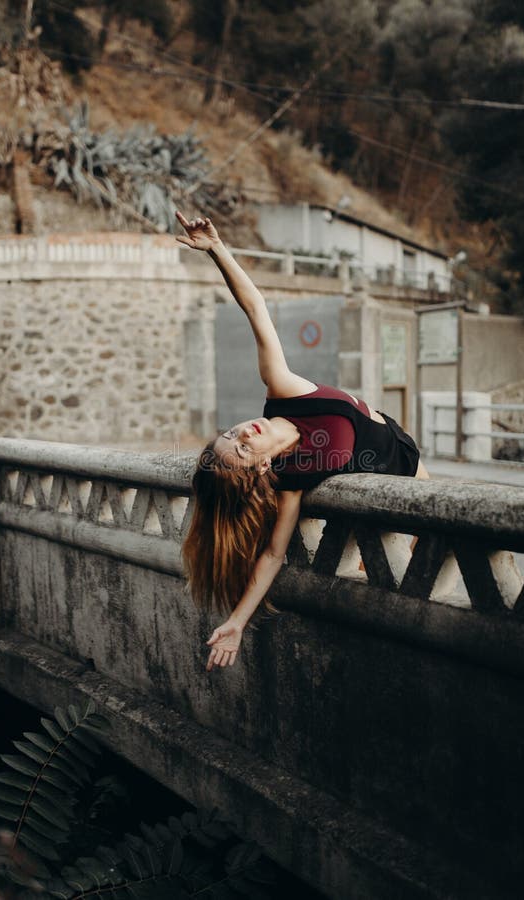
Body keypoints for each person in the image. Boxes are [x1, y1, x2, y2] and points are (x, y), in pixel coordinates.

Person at [176, 211, 429, 672]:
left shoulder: (282, 390)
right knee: (401, 584)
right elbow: (274, 553)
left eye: (233, 433)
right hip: (381, 482)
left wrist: (216, 250)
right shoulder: (292, 478)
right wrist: (236, 621)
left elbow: (256, 308)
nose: (245, 432)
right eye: (244, 448)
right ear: (257, 469)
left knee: (430, 549)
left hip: (403, 454)